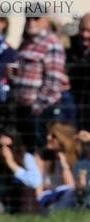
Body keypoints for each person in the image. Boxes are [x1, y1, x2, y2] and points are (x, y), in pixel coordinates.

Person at [14, 16, 73, 148]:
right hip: (23, 110)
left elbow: (53, 81)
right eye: (28, 18)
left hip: (41, 111)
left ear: (45, 21)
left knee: (40, 153)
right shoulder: (26, 43)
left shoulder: (52, 44)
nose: (31, 22)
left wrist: (37, 106)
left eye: (36, 18)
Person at [36, 122, 78, 210]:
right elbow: (38, 187)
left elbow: (71, 187)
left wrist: (64, 164)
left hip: (67, 201)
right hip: (48, 201)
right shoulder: (42, 158)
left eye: (54, 136)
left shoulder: (74, 159)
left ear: (63, 139)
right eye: (48, 134)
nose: (48, 138)